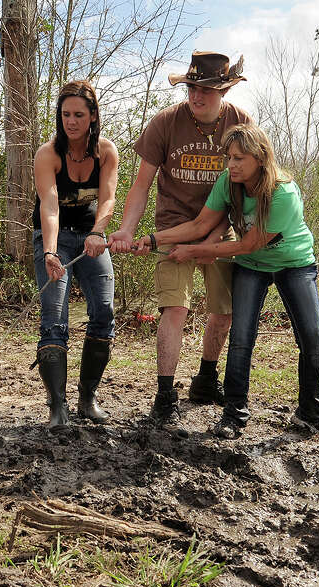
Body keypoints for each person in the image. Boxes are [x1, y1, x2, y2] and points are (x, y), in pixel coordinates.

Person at [137, 123, 319, 439]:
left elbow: (247, 243)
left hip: (294, 265)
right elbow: (199, 224)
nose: (232, 165)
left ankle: (310, 413)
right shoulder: (228, 182)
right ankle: (234, 415)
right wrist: (154, 239)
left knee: (311, 338)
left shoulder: (283, 192)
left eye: (240, 158)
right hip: (251, 267)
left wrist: (198, 251)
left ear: (260, 158)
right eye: (229, 158)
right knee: (241, 338)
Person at [107, 51, 252, 429]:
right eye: (191, 88)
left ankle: (206, 380)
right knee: (175, 308)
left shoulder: (241, 124)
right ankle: (165, 394)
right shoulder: (165, 124)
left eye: (205, 89)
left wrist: (217, 234)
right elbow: (141, 186)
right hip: (172, 228)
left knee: (224, 311)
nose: (196, 96)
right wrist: (126, 229)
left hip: (222, 228)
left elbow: (247, 184)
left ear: (223, 91)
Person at [32, 81, 119, 430]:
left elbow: (110, 198)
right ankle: (57, 406)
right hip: (53, 238)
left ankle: (87, 398)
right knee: (54, 317)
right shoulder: (48, 154)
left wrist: (99, 232)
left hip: (90, 237)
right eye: (65, 114)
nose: (71, 121)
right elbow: (50, 206)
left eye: (79, 115)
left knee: (104, 311)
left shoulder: (106, 152)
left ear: (93, 116)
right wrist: (51, 252)